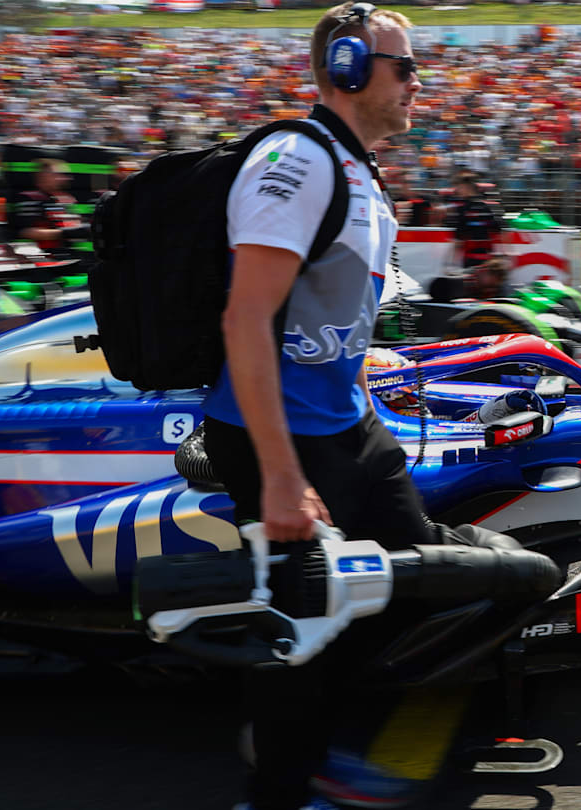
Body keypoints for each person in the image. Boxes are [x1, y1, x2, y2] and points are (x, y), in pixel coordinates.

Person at [196, 5, 443, 809]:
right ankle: (278, 783)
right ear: (345, 68)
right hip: (282, 441)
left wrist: (367, 401)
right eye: (403, 66)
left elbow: (335, 320)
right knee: (309, 616)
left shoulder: (356, 169)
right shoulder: (295, 163)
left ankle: (309, 734)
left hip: (345, 426)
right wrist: (278, 476)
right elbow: (246, 319)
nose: (416, 82)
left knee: (412, 578)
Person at [437, 170, 505, 300]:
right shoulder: (488, 207)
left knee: (472, 297)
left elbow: (458, 242)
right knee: (489, 296)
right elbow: (500, 233)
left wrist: (449, 265)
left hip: (472, 263)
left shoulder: (463, 209)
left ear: (466, 186)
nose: (457, 190)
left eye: (458, 186)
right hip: (489, 262)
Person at [12, 158, 88, 264]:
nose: (65, 178)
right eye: (58, 174)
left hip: (70, 256)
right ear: (42, 176)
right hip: (40, 257)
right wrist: (65, 233)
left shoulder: (68, 200)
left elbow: (77, 226)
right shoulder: (30, 199)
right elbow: (26, 232)